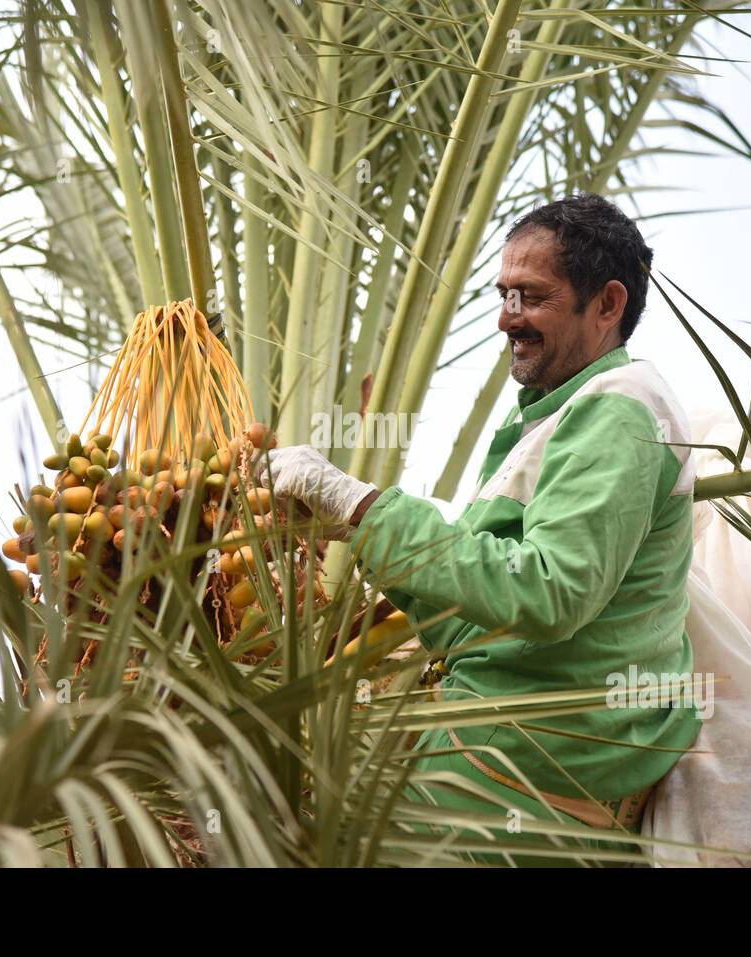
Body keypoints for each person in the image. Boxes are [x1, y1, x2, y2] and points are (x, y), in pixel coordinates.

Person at [262, 194, 699, 865]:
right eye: (503, 294)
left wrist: (362, 505)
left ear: (607, 304)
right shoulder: (562, 412)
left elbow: (548, 591)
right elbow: (482, 616)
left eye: (531, 295)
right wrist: (352, 529)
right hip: (495, 768)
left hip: (518, 790)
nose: (507, 318)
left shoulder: (622, 411)